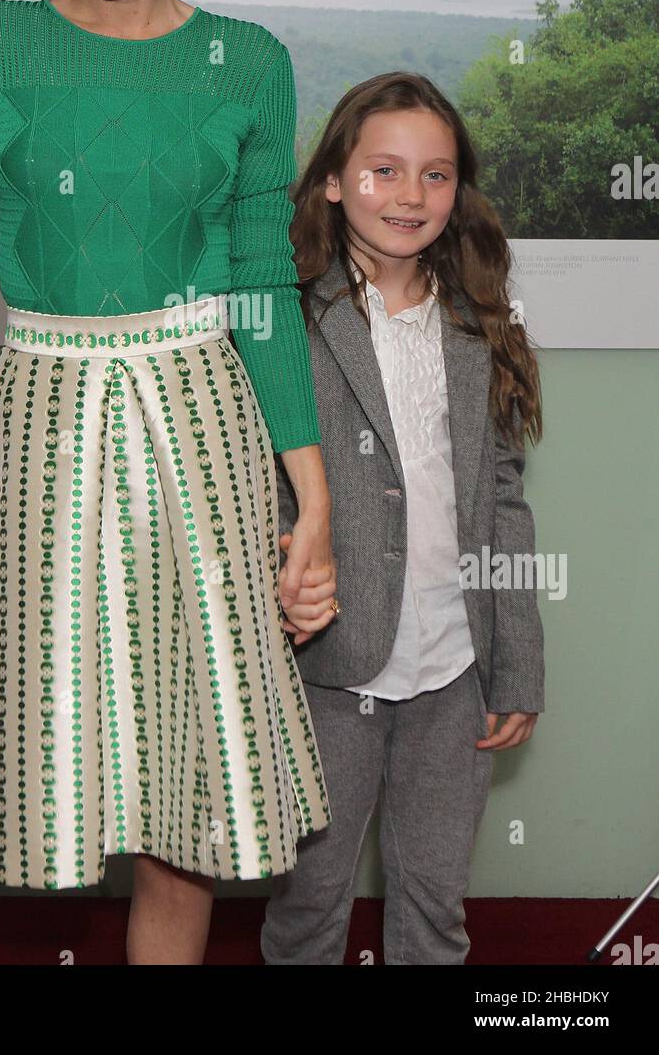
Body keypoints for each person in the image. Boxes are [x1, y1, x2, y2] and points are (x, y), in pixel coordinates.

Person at [0, 0, 338, 966]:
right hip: (37, 415)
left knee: (184, 813)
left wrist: (312, 493)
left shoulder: (248, 62)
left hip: (201, 428)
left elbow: (260, 287)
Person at [260, 71, 545, 964]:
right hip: (326, 667)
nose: (410, 196)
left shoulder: (483, 318)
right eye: (384, 171)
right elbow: (253, 485)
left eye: (436, 174)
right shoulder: (286, 314)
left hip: (453, 667)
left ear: (459, 189)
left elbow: (504, 496)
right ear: (336, 181)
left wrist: (519, 662)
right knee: (311, 906)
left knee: (434, 906)